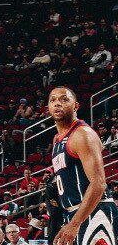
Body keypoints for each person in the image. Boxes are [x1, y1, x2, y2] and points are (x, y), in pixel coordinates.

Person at [48, 86, 118, 245]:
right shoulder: (57, 140)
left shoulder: (82, 134)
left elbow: (99, 183)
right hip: (74, 214)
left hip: (95, 212)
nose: (57, 104)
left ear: (76, 106)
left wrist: (75, 223)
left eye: (64, 99)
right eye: (53, 100)